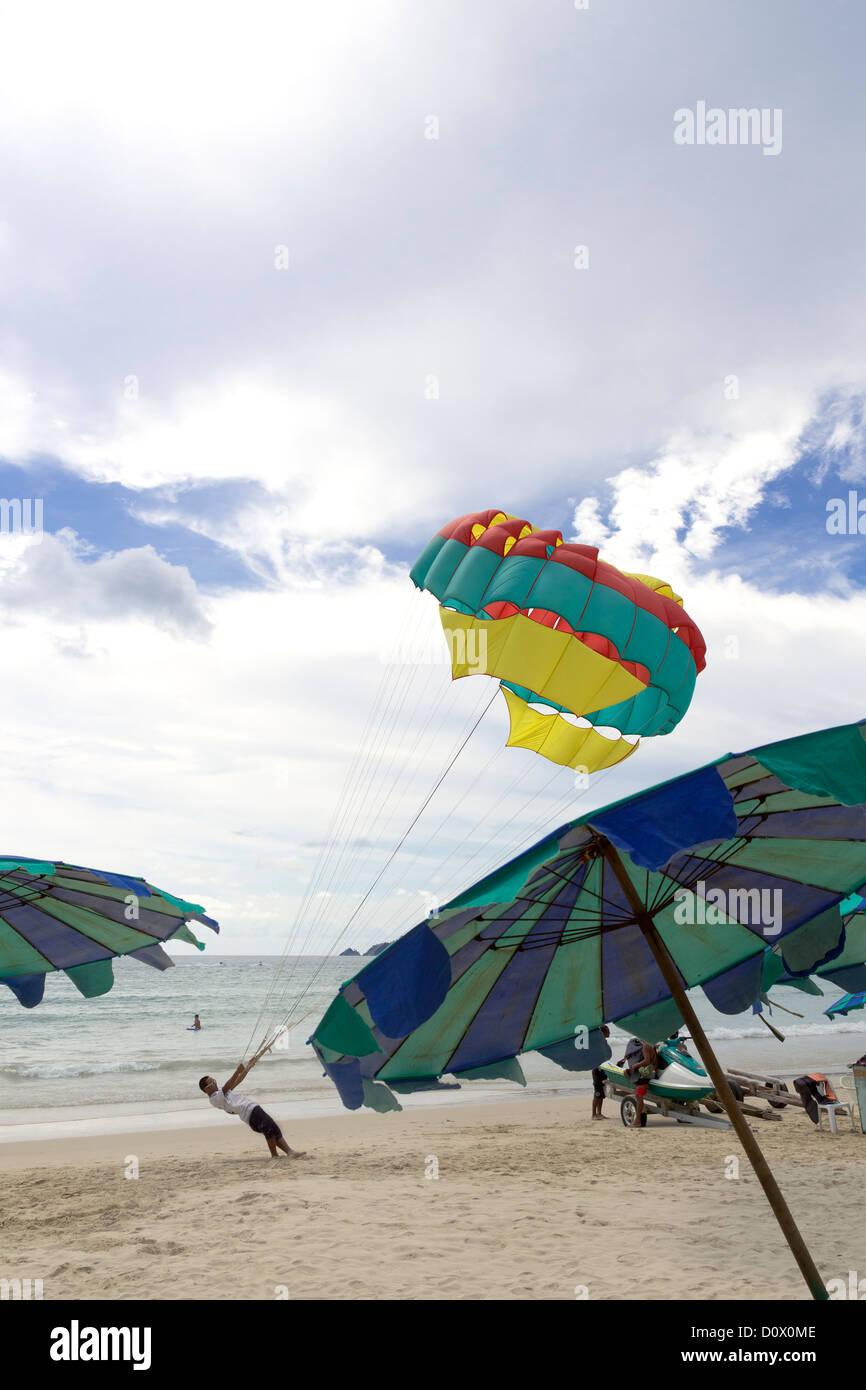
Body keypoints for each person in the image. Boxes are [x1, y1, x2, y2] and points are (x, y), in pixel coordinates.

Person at [199, 1063, 306, 1159]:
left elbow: (238, 1081)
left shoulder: (220, 1093)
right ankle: (275, 1155)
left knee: (274, 1129)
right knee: (269, 1129)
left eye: (214, 1080)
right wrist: (237, 1071)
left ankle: (290, 1152)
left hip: (251, 1109)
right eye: (212, 1082)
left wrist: (248, 1067)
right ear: (206, 1089)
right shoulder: (214, 1099)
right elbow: (228, 1086)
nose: (215, 1083)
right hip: (249, 1112)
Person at [618, 1036, 658, 1129]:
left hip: (646, 1075)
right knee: (626, 1073)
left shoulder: (646, 1046)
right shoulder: (650, 1044)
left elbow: (647, 1061)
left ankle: (638, 1121)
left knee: (639, 1096)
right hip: (649, 1073)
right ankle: (637, 1088)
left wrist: (637, 1065)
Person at [590, 1025, 611, 1120]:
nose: (609, 1033)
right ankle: (593, 1114)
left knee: (602, 1092)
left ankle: (599, 1113)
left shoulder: (603, 1042)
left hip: (603, 1068)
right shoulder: (597, 1043)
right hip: (597, 1069)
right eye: (607, 1031)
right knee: (597, 1092)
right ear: (602, 1033)